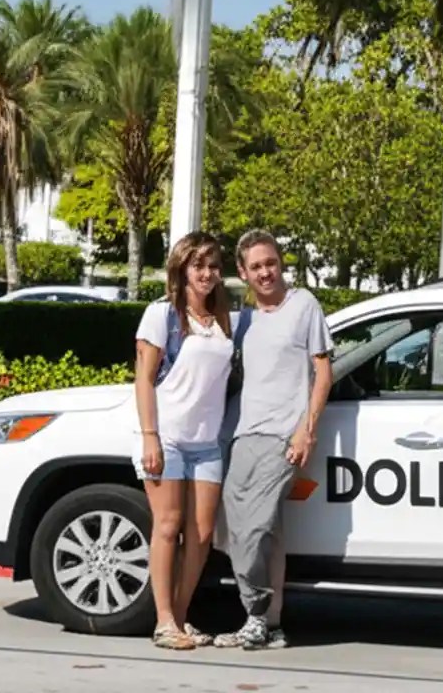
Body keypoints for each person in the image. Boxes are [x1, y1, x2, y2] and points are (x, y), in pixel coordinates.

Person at [212, 228, 333, 650]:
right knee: (243, 528)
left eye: (271, 263)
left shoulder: (304, 305)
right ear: (243, 273)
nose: (266, 273)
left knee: (256, 527)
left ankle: (256, 614)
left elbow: (323, 372)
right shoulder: (245, 321)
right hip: (246, 433)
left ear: (281, 263)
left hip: (284, 435)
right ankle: (272, 625)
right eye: (256, 267)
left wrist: (307, 429)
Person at [132, 231, 235, 650]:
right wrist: (150, 436)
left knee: (202, 533)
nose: (207, 274)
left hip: (206, 441)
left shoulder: (226, 317)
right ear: (182, 269)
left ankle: (180, 614)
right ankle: (163, 621)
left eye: (213, 266)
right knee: (169, 525)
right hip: (167, 437)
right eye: (198, 265)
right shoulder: (162, 315)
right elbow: (143, 378)